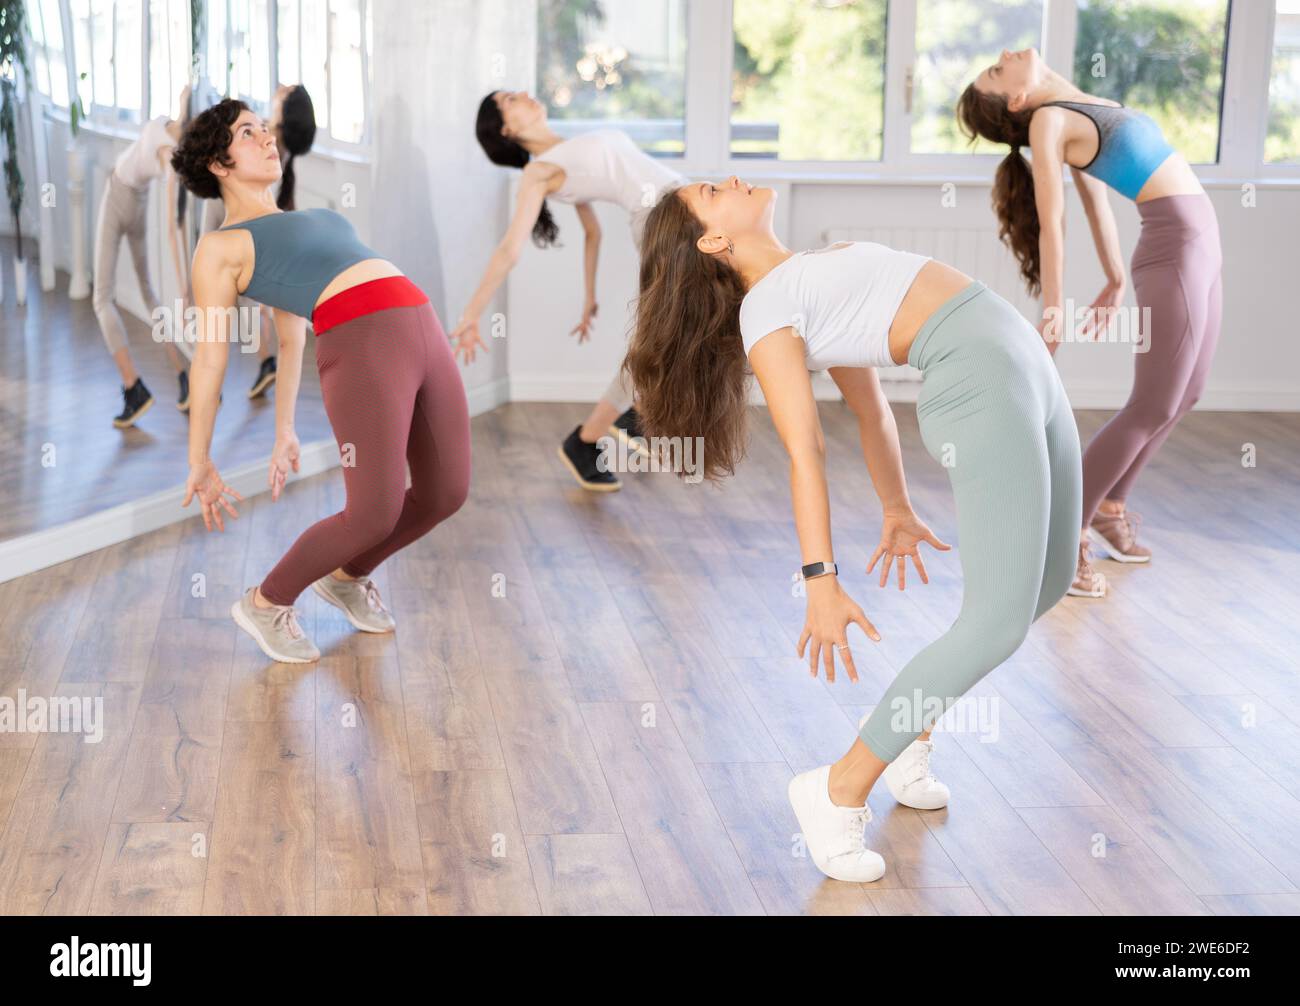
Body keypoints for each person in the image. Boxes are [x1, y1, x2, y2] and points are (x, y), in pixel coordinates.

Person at [622, 176, 1080, 883]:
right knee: (996, 625)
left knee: (1047, 584)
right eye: (713, 190)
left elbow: (871, 413)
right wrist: (820, 581)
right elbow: (805, 449)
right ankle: (837, 789)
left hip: (1026, 366)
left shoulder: (808, 274)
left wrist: (897, 507)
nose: (733, 179)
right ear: (713, 240)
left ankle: (907, 734)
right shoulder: (768, 313)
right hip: (980, 380)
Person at [172, 98, 470, 663]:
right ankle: (265, 601)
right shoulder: (220, 248)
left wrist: (285, 430)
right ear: (217, 162)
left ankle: (346, 578)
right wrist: (199, 459)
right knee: (372, 513)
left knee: (446, 491)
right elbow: (209, 359)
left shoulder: (298, 215)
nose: (266, 138)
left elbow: (291, 339)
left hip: (421, 326)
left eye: (265, 127)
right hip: (364, 344)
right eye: (247, 132)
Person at [959, 47, 1223, 597]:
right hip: (1175, 248)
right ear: (1015, 96)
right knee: (1152, 403)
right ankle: (1066, 537)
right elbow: (1053, 223)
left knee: (1187, 394)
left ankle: (1110, 506)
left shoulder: (1081, 107)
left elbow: (1096, 200)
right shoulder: (1049, 123)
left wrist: (1114, 276)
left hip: (1199, 244)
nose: (1005, 55)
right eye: (994, 69)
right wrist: (1054, 309)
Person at [452, 90, 686, 490]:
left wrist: (589, 296)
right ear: (506, 128)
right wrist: (471, 314)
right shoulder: (539, 172)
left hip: (683, 206)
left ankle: (598, 435)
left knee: (672, 330)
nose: (523, 94)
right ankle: (626, 421)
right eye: (510, 99)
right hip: (662, 222)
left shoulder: (568, 149)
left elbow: (592, 233)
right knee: (673, 330)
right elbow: (510, 248)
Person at [198, 83, 318, 400]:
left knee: (228, 304)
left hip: (226, 213)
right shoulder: (276, 145)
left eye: (285, 90)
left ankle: (224, 376)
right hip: (238, 219)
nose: (279, 87)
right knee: (251, 305)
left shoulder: (264, 143)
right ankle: (261, 363)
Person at [94, 86, 192, 427]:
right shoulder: (174, 136)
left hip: (119, 196)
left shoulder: (169, 154)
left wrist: (184, 286)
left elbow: (172, 227)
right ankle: (183, 376)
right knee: (147, 291)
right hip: (138, 203)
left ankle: (133, 388)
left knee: (102, 299)